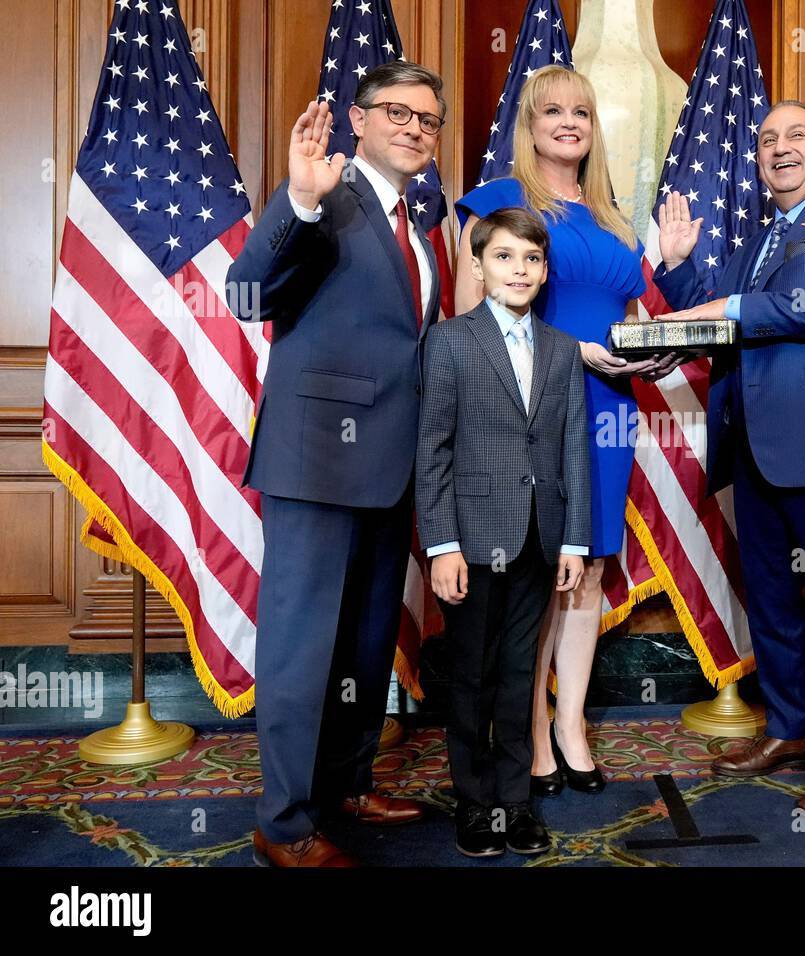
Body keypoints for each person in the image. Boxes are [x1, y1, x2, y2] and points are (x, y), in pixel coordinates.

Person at [229, 61, 446, 867]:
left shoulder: (418, 231)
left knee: (362, 645)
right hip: (317, 463)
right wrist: (300, 201)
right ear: (358, 119)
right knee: (302, 646)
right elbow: (247, 292)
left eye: (429, 120)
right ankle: (283, 823)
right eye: (398, 112)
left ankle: (348, 784)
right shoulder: (328, 200)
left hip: (392, 468)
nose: (415, 129)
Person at [654, 100, 805, 817]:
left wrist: (729, 308)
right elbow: (713, 313)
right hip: (751, 442)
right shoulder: (760, 239)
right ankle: (791, 729)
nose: (780, 148)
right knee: (770, 598)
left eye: (795, 135)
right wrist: (676, 269)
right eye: (766, 140)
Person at [454, 66, 677, 797]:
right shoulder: (499, 202)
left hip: (610, 407)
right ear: (530, 121)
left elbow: (636, 312)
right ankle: (529, 729)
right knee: (540, 570)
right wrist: (571, 350)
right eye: (552, 110)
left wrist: (659, 327)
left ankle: (572, 722)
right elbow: (468, 324)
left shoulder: (614, 217)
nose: (569, 121)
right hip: (534, 409)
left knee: (590, 569)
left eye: (581, 110)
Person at [417, 207, 590, 858]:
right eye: (505, 257)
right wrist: (441, 545)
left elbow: (575, 450)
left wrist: (574, 539)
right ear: (480, 265)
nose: (519, 270)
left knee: (520, 675)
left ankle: (514, 805)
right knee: (472, 675)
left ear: (544, 273)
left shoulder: (563, 350)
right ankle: (475, 800)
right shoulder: (450, 343)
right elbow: (432, 450)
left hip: (539, 541)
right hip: (469, 541)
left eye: (531, 259)